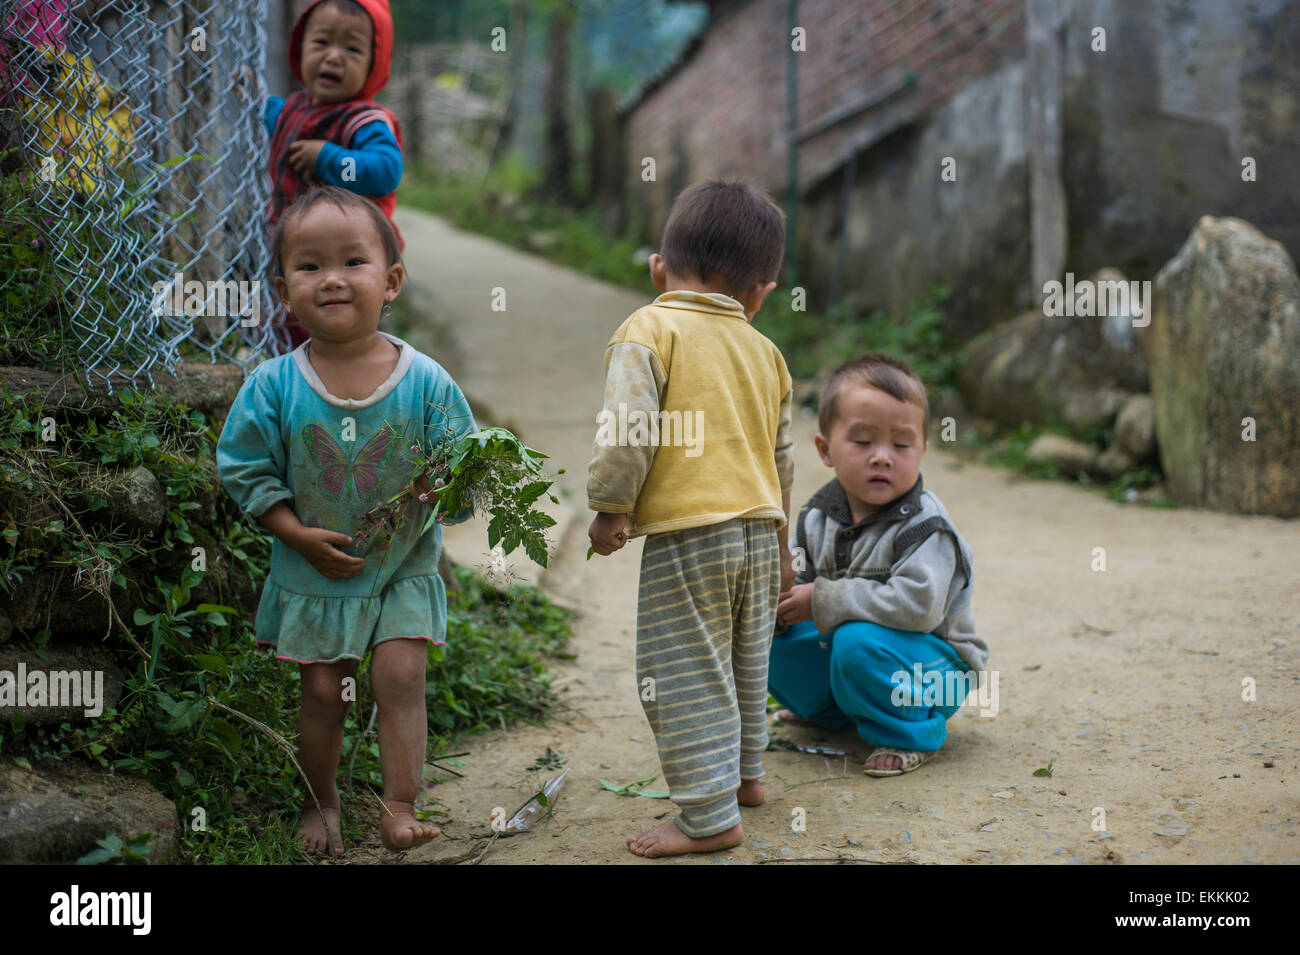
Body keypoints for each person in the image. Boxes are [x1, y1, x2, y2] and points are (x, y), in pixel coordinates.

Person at [216, 185, 475, 856]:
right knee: (325, 692)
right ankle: (320, 799)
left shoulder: (426, 383)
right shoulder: (273, 384)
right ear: (282, 288)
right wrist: (295, 533)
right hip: (315, 570)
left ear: (390, 281)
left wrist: (439, 481)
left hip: (402, 568)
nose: (331, 277)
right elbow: (245, 468)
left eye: (352, 261)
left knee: (399, 676)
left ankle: (398, 803)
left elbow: (467, 465)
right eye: (308, 266)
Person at [587, 179, 795, 858]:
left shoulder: (649, 327)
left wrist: (611, 509)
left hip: (689, 532)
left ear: (657, 268)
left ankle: (708, 816)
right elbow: (781, 457)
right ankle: (744, 776)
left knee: (682, 669)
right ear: (761, 291)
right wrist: (784, 540)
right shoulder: (768, 353)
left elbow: (626, 430)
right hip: (760, 527)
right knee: (743, 656)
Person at [770, 353, 989, 776]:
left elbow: (918, 609)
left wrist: (824, 597)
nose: (882, 457)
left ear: (922, 449)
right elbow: (798, 591)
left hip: (937, 669)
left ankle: (909, 733)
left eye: (901, 444)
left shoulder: (927, 527)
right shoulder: (817, 517)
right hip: (868, 656)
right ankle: (832, 710)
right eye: (863, 442)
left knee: (856, 641)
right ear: (825, 449)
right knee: (764, 627)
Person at [255, 0, 404, 348]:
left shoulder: (365, 120)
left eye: (352, 48)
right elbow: (274, 115)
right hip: (298, 250)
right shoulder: (294, 109)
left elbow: (386, 170)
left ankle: (354, 374)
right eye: (321, 43)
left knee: (339, 329)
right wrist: (252, 98)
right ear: (300, 49)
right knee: (290, 318)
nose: (334, 57)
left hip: (345, 255)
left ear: (374, 63)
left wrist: (330, 159)